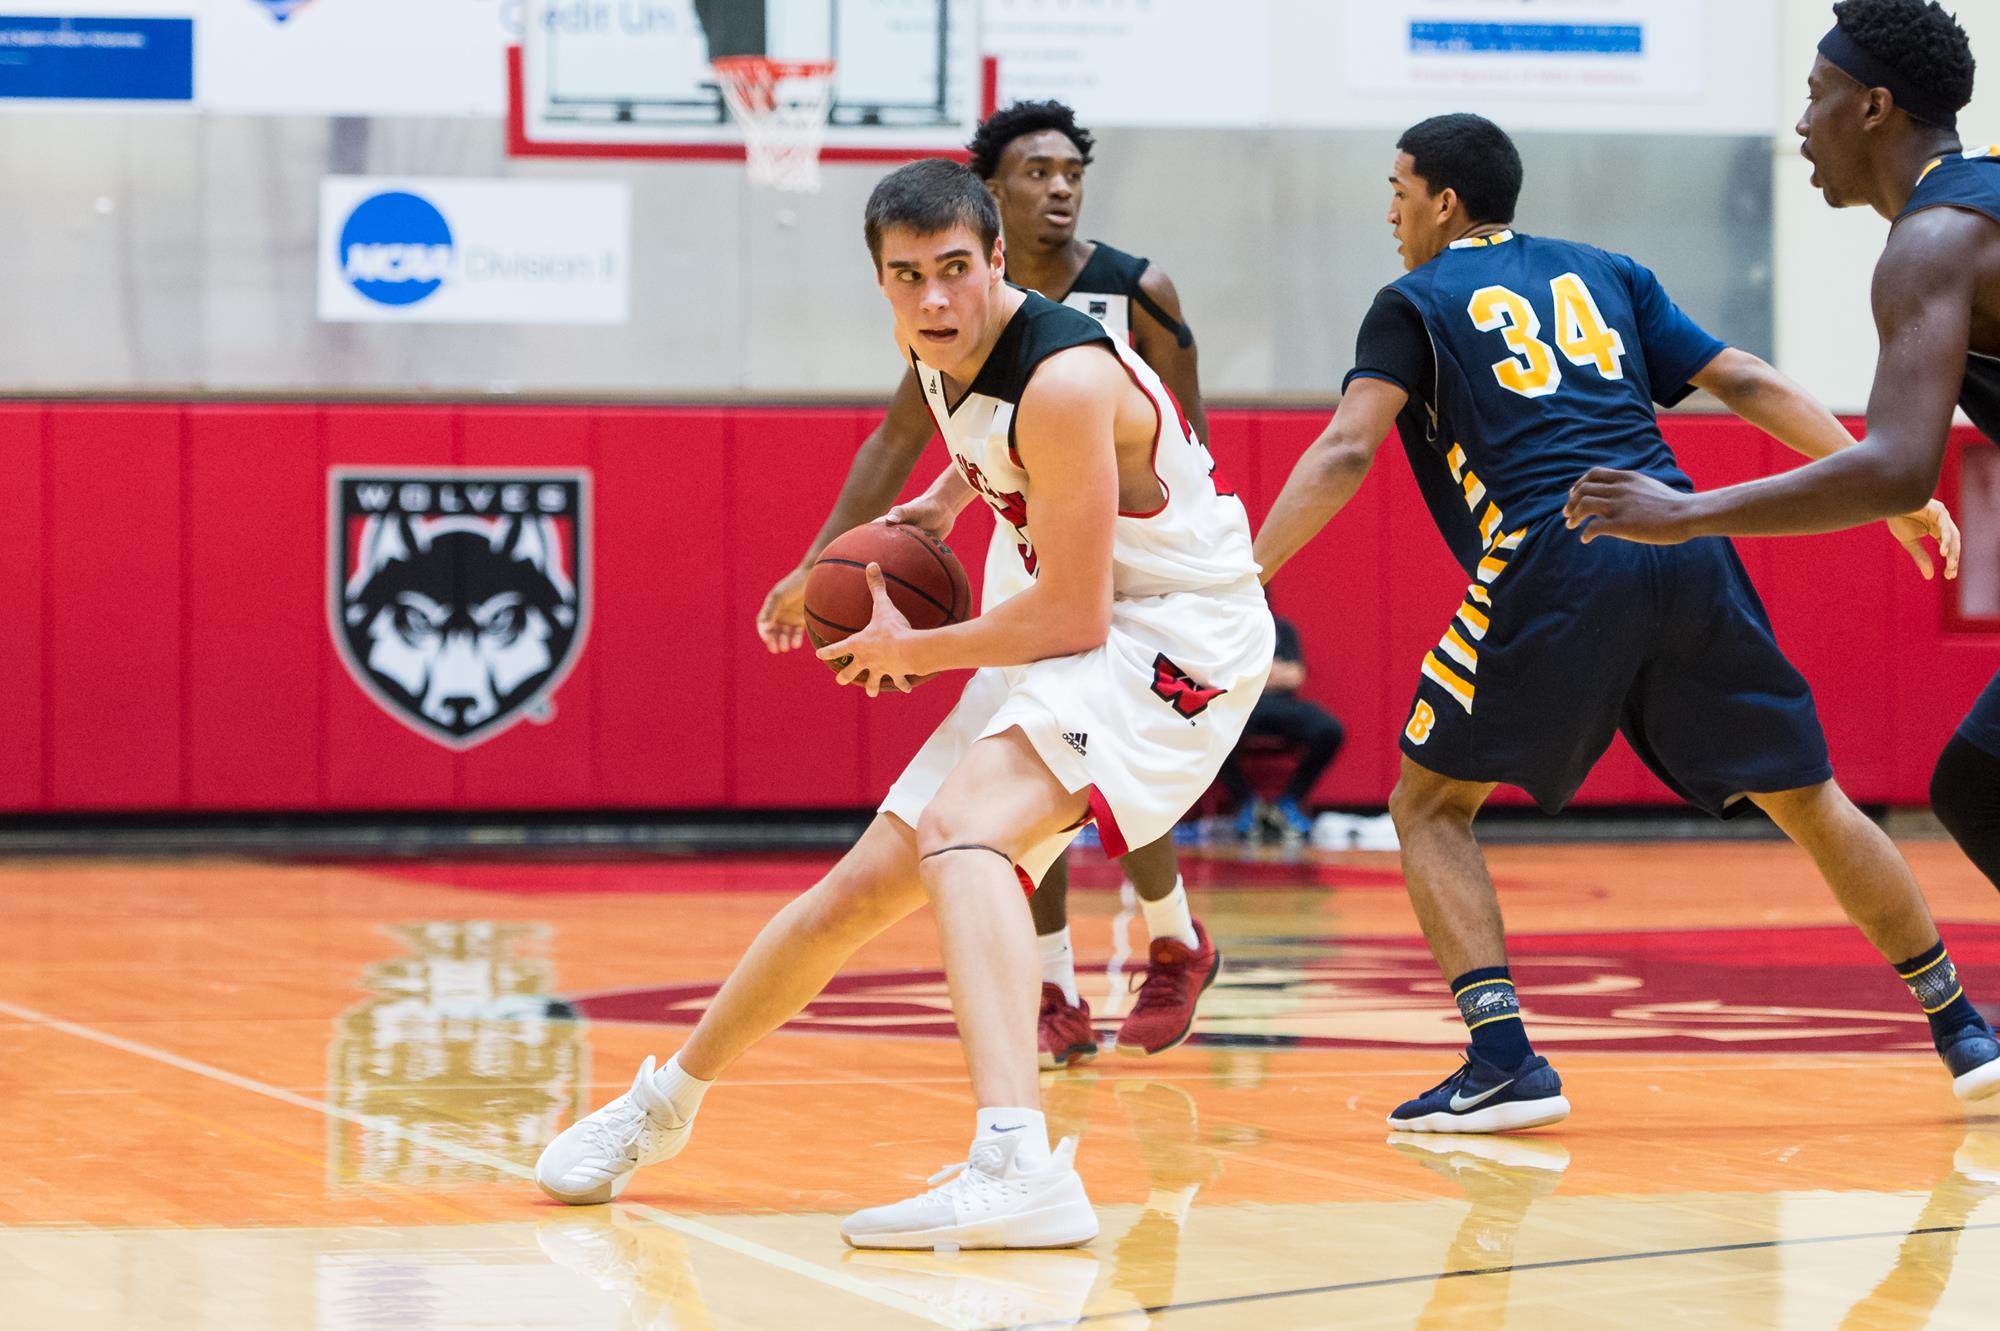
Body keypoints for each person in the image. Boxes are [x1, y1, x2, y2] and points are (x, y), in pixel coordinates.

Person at [537, 160, 1273, 1249]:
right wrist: (934, 503)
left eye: (954, 271)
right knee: (855, 891)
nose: (933, 298)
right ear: (879, 282)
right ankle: (662, 1107)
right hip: (1098, 627)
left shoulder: (1064, 381)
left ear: (996, 265)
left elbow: (1068, 615)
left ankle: (1015, 1160)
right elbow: (986, 459)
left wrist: (915, 650)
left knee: (964, 829)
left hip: (1175, 637)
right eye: (907, 276)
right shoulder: (931, 349)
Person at [1252, 110, 1999, 1133]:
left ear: (1443, 201)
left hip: (1556, 549)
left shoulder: (1411, 302)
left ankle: (1501, 1056)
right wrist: (1891, 490)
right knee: (1808, 797)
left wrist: (1242, 571)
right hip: (1682, 538)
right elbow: (1743, 378)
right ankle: (1960, 1026)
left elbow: (1343, 450)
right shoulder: (1605, 269)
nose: (1388, 213)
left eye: (1396, 191)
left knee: (1426, 804)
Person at [754, 100, 1221, 1072]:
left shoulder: (1133, 289)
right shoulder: (930, 312)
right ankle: (1053, 983)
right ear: (990, 192)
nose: (1057, 187)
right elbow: (916, 434)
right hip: (1019, 536)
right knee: (1024, 769)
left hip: (1123, 550)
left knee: (1089, 762)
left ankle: (1170, 934)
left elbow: (1183, 436)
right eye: (1035, 171)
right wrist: (826, 557)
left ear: (991, 248)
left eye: (1068, 171)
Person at [1561, 1, 2000, 899]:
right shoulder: (1972, 208)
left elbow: (1897, 467)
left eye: (1816, 96)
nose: (1801, 124)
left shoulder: (1934, 241)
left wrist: (1685, 513)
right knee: (1980, 780)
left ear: (1874, 108)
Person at [1218, 615, 1345, 840]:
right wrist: (1272, 672)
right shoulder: (1229, 626)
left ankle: (1290, 801)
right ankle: (1246, 802)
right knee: (1213, 731)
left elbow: (1295, 676)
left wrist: (1254, 672)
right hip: (1243, 703)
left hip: (1284, 705)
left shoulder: (1282, 629)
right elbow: (1224, 676)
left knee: (1329, 729)